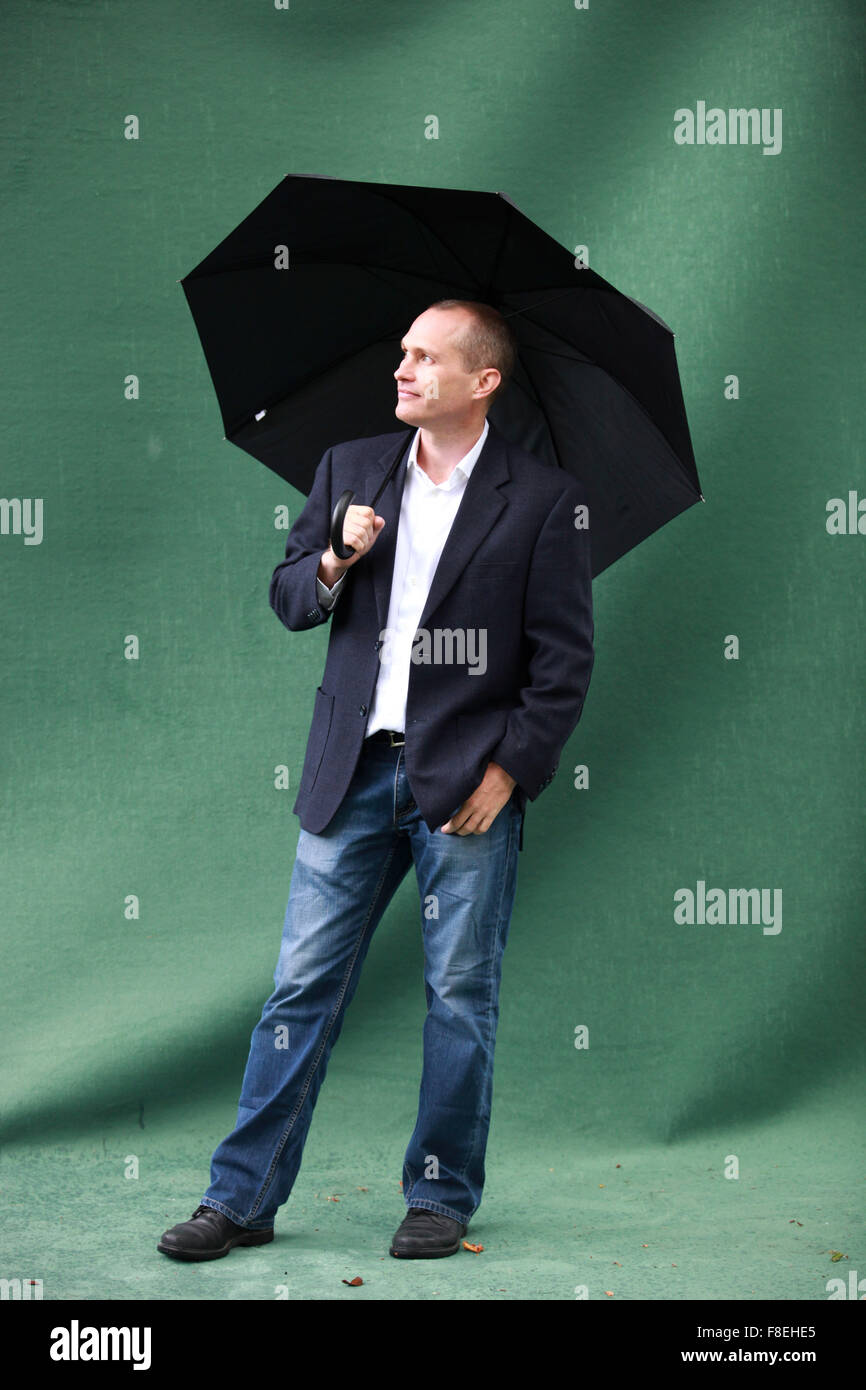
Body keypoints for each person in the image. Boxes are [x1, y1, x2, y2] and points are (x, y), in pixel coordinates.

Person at [158, 298, 594, 1263]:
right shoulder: (349, 470)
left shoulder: (543, 499)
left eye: (426, 358)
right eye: (400, 352)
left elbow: (563, 660)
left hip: (465, 789)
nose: (403, 369)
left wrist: (513, 769)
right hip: (349, 773)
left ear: (482, 383)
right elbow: (287, 600)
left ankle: (439, 1196)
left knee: (459, 995)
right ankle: (241, 1199)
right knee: (299, 990)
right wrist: (333, 556)